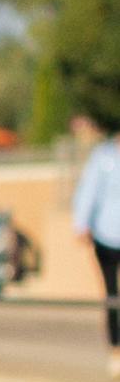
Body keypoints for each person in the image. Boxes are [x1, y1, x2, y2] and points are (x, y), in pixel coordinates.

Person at [75, 110, 120, 350]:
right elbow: (89, 191)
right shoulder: (103, 158)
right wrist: (82, 224)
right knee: (112, 291)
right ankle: (115, 345)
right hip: (107, 236)